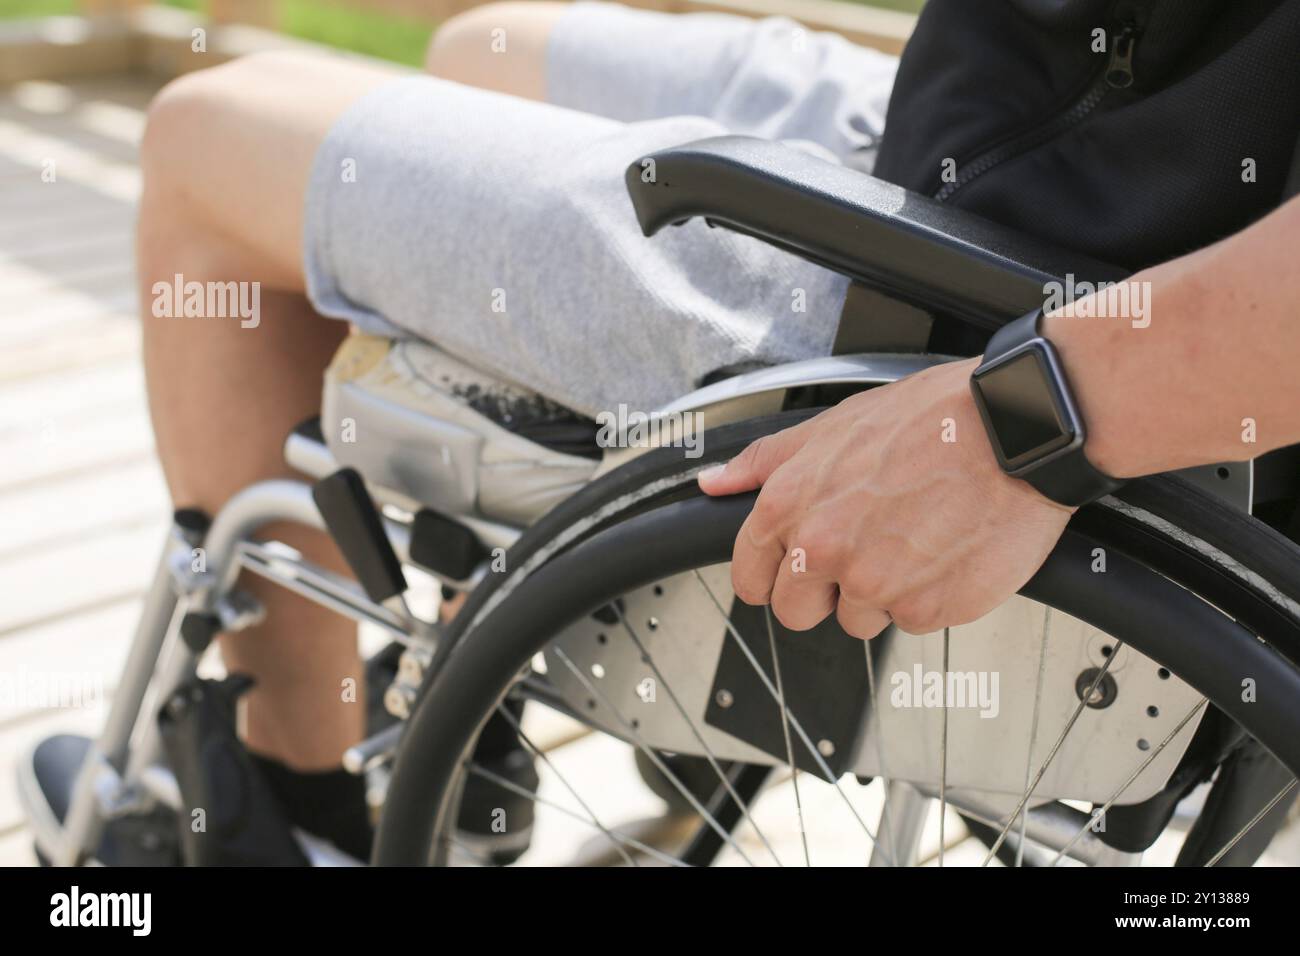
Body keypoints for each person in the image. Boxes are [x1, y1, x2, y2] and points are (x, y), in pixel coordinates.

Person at [32, 0, 1300, 861]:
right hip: (1057, 147)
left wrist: (1024, 419)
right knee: (486, 40)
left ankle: (300, 806)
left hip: (1008, 309)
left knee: (204, 140)